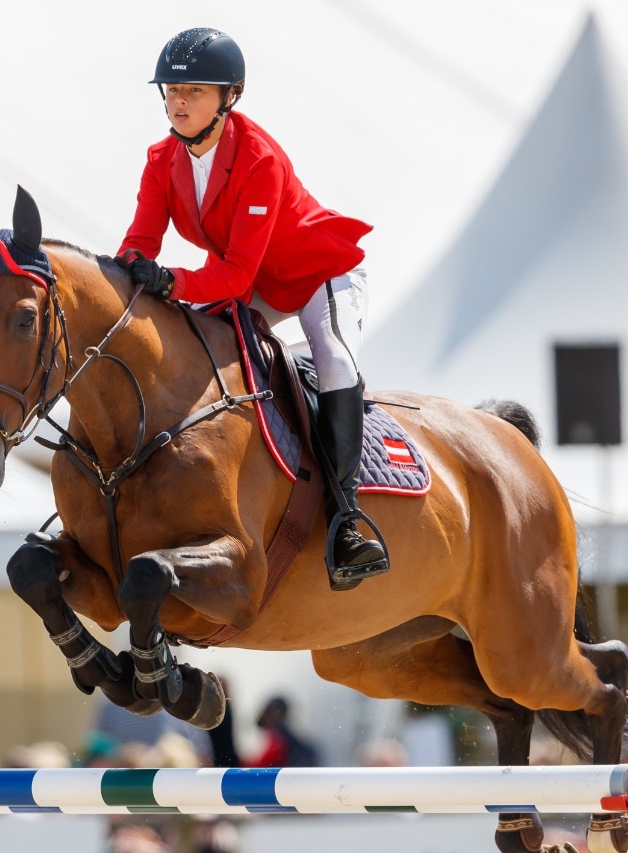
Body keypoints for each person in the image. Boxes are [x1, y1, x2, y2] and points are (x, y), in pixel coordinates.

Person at [116, 27, 388, 589]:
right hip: (256, 277)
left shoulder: (258, 157)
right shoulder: (161, 158)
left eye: (194, 90)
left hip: (319, 274)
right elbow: (139, 242)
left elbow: (235, 276)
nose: (178, 101)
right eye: (170, 90)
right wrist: (119, 279)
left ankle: (347, 519)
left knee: (334, 360)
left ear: (229, 97)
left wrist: (172, 280)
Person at [244, 695, 320, 768]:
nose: (269, 718)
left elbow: (263, 764)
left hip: (282, 779)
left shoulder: (279, 739)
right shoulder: (281, 737)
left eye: (272, 713)